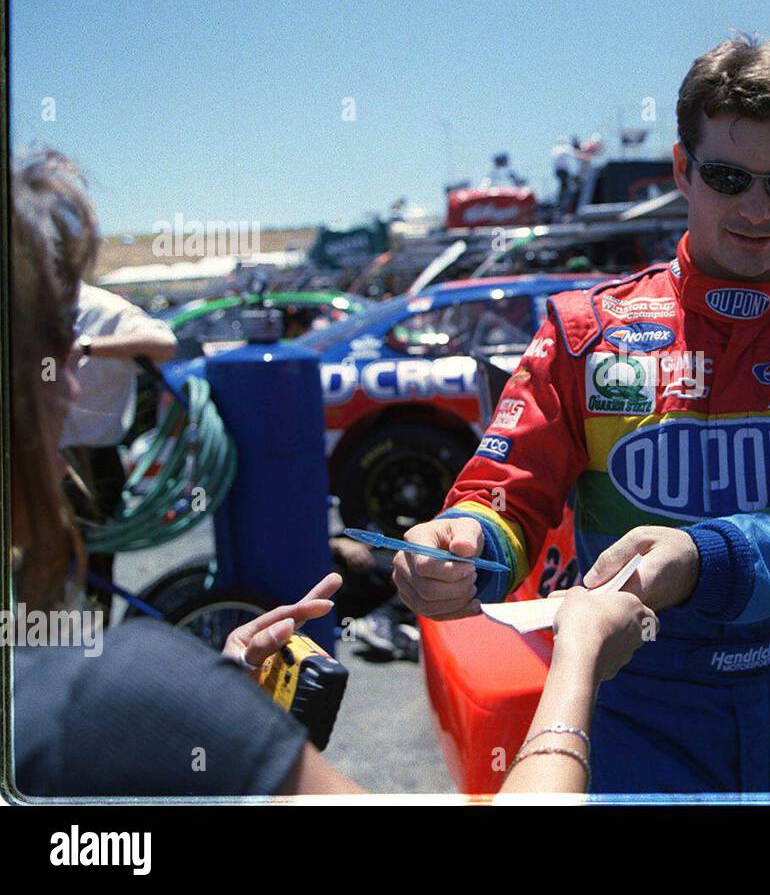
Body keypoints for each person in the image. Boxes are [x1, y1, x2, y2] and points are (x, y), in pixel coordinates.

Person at [10, 146, 649, 798]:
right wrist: (577, 664)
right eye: (57, 345)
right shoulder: (116, 696)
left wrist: (223, 721)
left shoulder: (66, 692)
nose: (73, 381)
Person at [395, 34, 770, 794]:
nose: (758, 209)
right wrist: (465, 546)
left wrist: (701, 559)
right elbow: (509, 493)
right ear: (682, 171)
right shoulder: (585, 331)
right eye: (729, 177)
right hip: (633, 698)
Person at [59, 278, 177, 608]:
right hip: (47, 454)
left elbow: (164, 343)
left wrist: (86, 347)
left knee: (85, 572)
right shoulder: (31, 307)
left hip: (89, 462)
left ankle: (88, 634)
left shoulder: (102, 309)